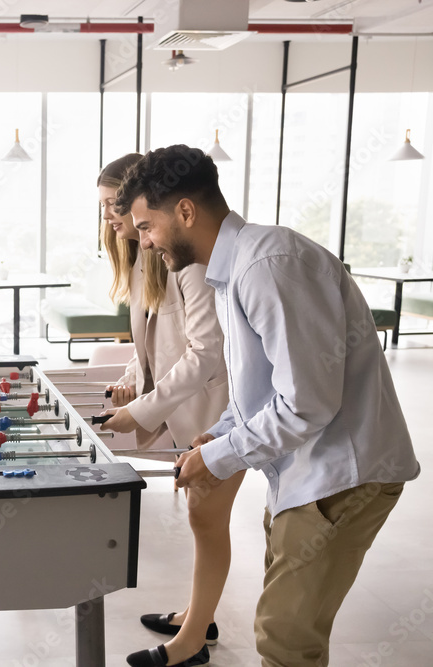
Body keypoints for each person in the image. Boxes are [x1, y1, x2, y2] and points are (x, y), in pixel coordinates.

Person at [117, 144, 420, 667]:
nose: (143, 243)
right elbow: (262, 392)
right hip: (306, 473)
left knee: (284, 638)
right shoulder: (237, 268)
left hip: (341, 475)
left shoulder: (269, 265)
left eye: (147, 226)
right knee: (286, 629)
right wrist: (218, 435)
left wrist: (220, 457)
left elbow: (307, 403)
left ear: (185, 211)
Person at [96, 154, 232, 667]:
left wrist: (143, 410)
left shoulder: (189, 262)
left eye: (116, 205)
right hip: (188, 410)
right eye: (106, 207)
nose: (112, 216)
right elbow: (152, 339)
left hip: (217, 413)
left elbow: (205, 352)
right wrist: (133, 379)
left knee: (206, 518)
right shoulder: (145, 260)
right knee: (205, 520)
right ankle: (197, 615)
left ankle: (192, 639)